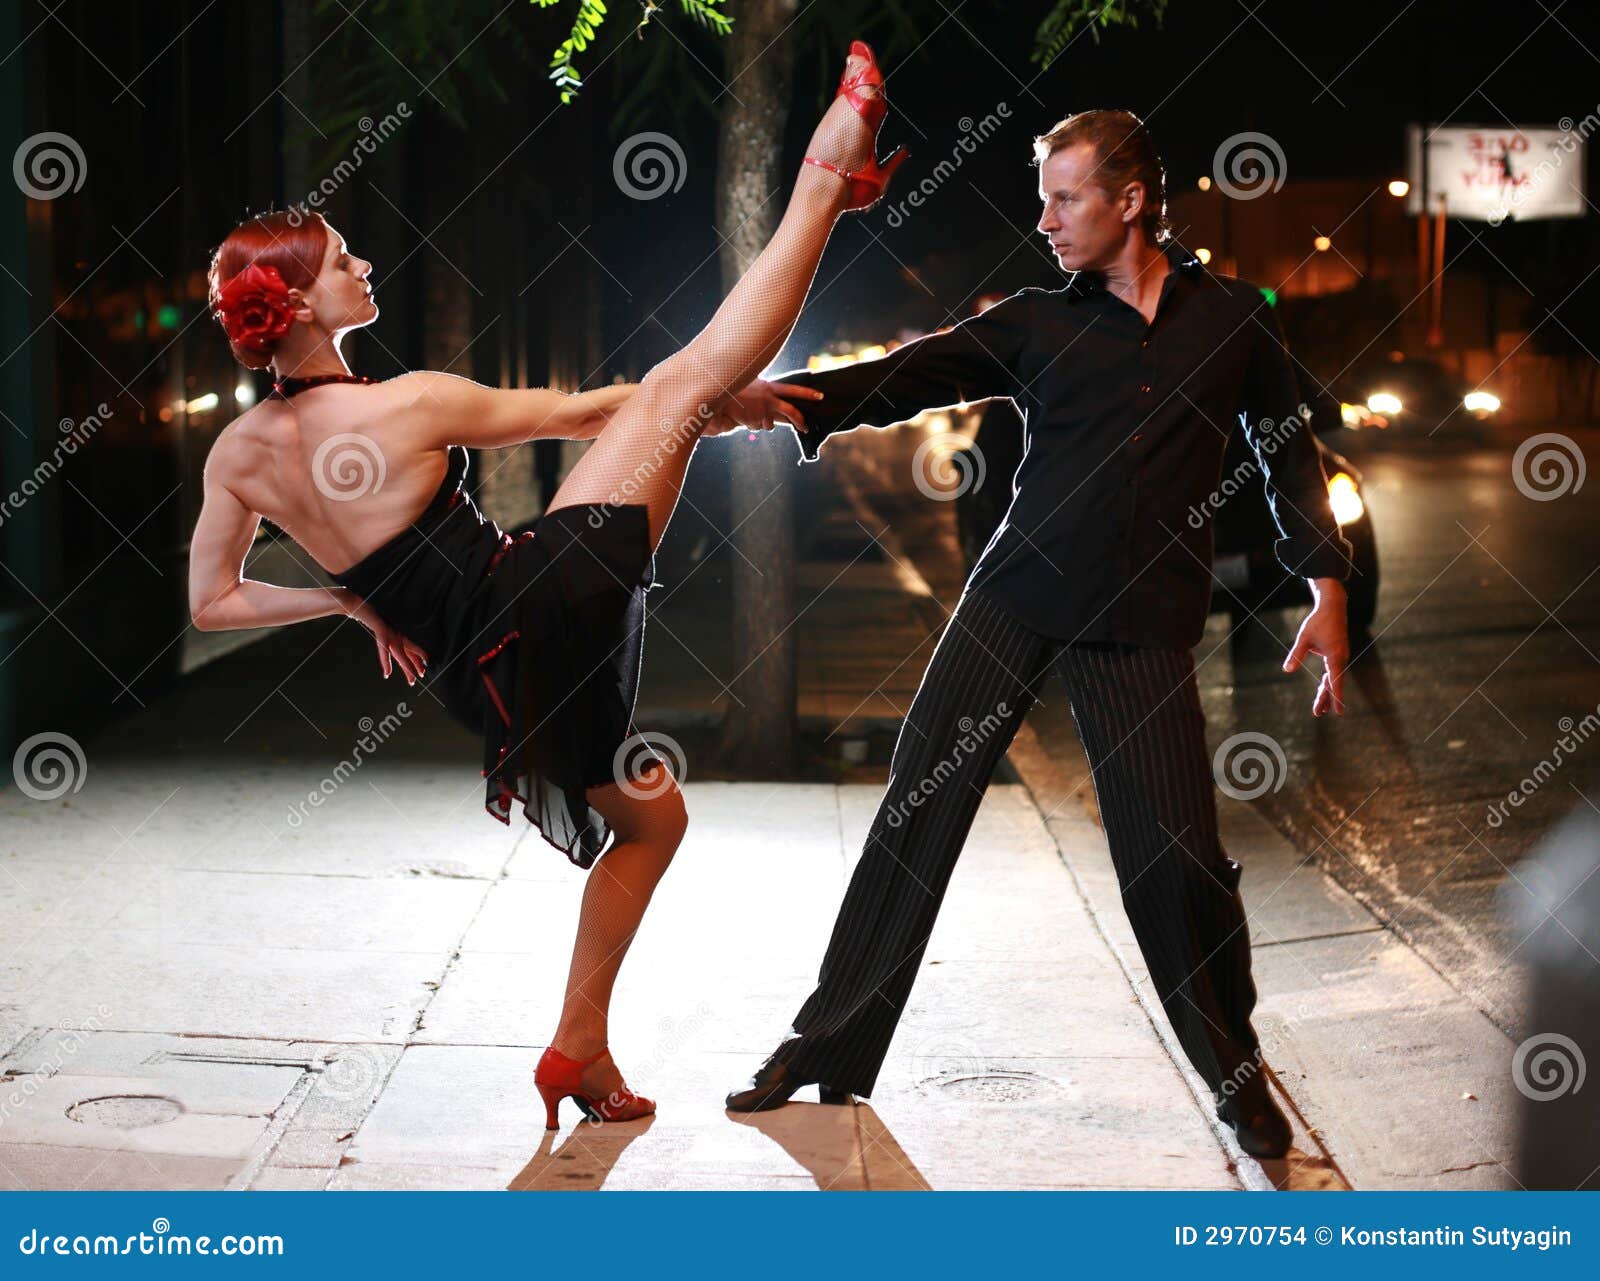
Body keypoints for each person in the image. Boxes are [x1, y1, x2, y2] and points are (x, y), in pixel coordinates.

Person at [188, 42, 906, 1131]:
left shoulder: (238, 454)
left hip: (489, 682)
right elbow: (581, 412)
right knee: (680, 378)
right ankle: (827, 181)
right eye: (341, 261)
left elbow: (214, 604)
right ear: (295, 302)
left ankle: (579, 1048)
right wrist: (708, 403)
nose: (364, 265)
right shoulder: (408, 404)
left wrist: (343, 598)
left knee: (650, 819)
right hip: (531, 605)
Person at [722, 108, 1353, 1160]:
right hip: (1012, 600)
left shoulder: (1236, 320)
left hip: (1141, 626)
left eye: (1065, 198)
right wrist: (785, 402)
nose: (1046, 220)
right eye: (1044, 198)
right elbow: (912, 373)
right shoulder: (1035, 321)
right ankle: (823, 1046)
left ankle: (1236, 1077)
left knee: (1178, 863)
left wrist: (1323, 580)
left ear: (1131, 200)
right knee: (915, 818)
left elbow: (1288, 453)